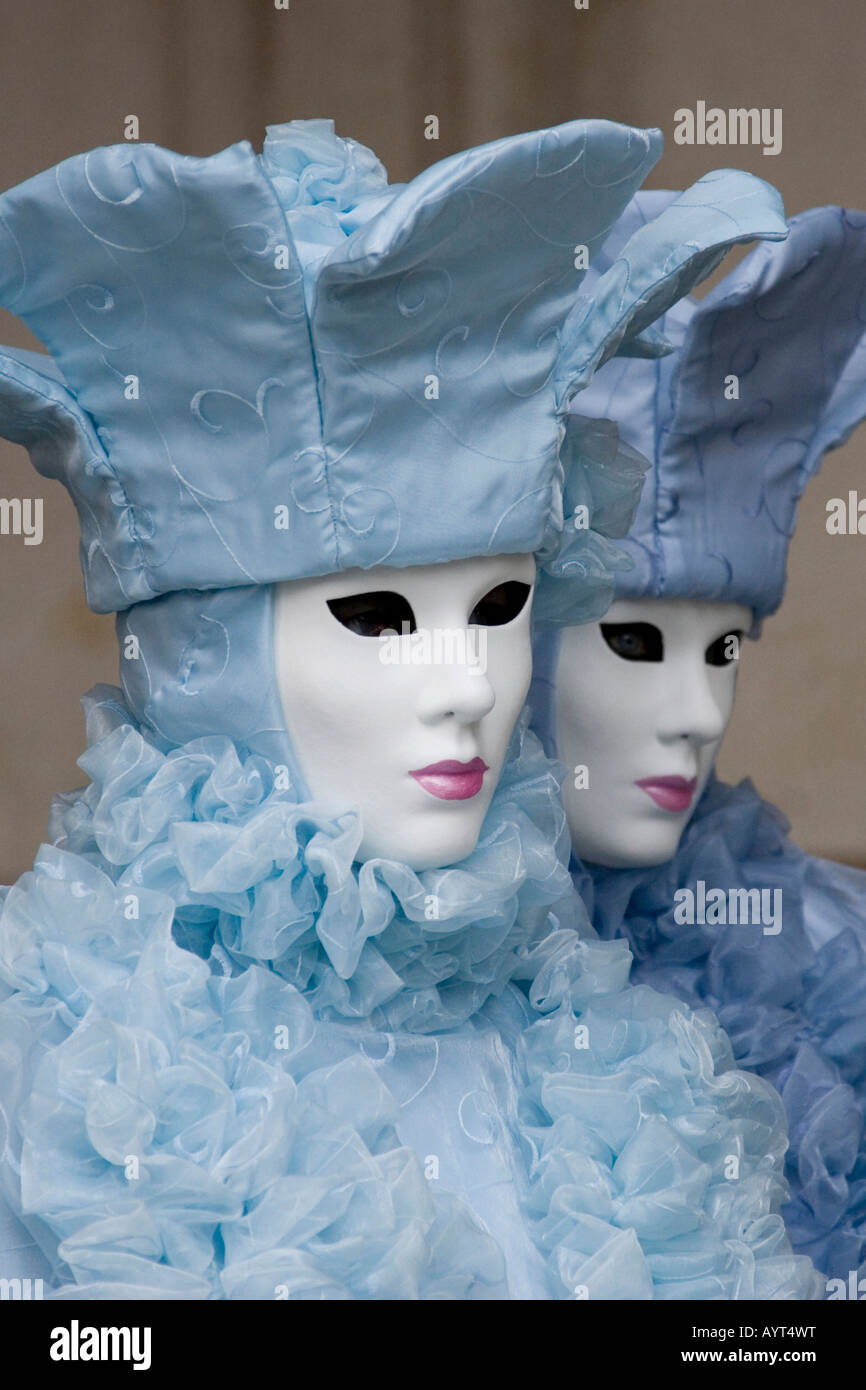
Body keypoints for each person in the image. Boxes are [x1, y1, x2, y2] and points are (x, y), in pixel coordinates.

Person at [0, 118, 819, 1298]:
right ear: (204, 651)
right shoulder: (55, 1073)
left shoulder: (605, 1067)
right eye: (377, 618)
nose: (469, 684)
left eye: (498, 608)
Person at [531, 196, 866, 1288]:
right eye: (631, 638)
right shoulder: (376, 983)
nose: (698, 713)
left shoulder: (814, 946)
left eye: (722, 649)